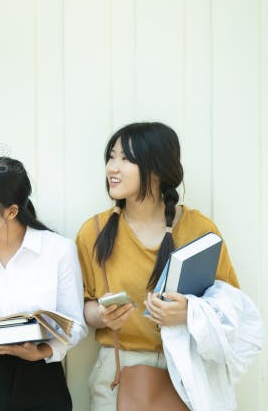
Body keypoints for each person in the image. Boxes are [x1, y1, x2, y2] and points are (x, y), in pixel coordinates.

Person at [75, 121, 240, 410]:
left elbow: (231, 309)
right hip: (118, 373)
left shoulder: (199, 230)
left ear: (157, 167)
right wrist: (102, 316)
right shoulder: (95, 231)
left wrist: (188, 313)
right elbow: (82, 306)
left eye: (125, 158)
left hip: (189, 374)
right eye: (111, 157)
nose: (112, 167)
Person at [0, 157, 86, 410]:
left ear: (11, 211)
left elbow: (75, 325)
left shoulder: (58, 250)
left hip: (41, 378)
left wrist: (42, 351)